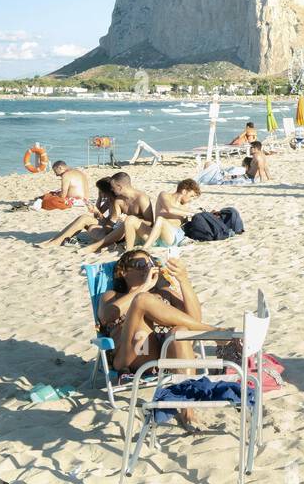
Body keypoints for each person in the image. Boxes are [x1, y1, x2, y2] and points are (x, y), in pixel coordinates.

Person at [97, 250, 223, 422]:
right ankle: (214, 333)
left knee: (180, 332)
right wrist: (143, 289)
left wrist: (183, 280)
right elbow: (106, 316)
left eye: (151, 264)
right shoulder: (112, 295)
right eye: (141, 264)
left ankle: (188, 412)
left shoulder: (164, 293)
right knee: (142, 300)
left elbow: (194, 321)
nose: (148, 268)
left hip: (163, 354)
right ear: (124, 272)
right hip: (133, 355)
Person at [38, 176, 120, 248]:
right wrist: (99, 199)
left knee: (84, 219)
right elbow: (96, 215)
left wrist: (98, 212)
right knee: (83, 218)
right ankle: (55, 240)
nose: (100, 193)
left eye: (100, 191)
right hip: (108, 228)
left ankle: (57, 242)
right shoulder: (109, 200)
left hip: (113, 233)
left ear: (106, 191)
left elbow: (108, 226)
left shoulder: (117, 202)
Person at [86, 172, 153, 255]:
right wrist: (99, 215)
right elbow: (112, 222)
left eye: (113, 187)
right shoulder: (118, 201)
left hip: (139, 232)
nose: (111, 190)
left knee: (129, 220)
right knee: (92, 228)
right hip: (121, 232)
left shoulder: (142, 198)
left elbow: (150, 223)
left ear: (119, 187)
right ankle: (110, 242)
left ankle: (104, 244)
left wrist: (130, 220)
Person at [130, 178, 201, 249]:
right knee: (130, 219)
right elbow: (169, 209)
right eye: (191, 196)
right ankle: (127, 250)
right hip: (156, 236)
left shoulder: (185, 207)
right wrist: (191, 213)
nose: (191, 200)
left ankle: (144, 249)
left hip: (171, 237)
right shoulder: (164, 195)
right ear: (184, 191)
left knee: (160, 220)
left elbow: (184, 225)